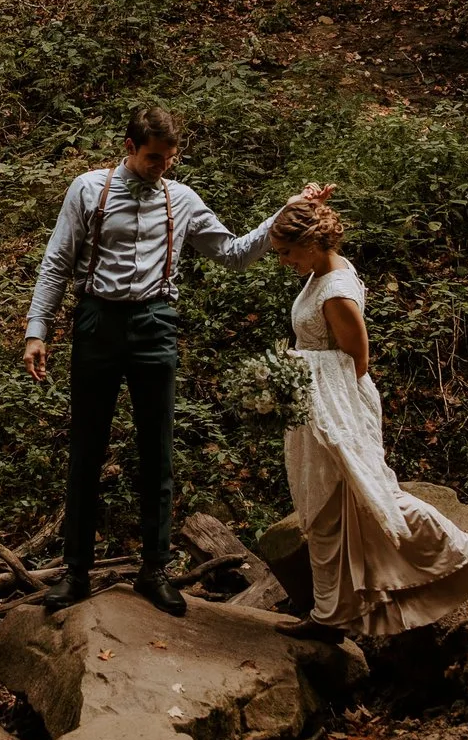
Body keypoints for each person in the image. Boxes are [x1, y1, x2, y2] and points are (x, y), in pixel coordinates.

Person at [23, 106, 318, 616]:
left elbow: (232, 252)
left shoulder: (180, 200)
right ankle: (76, 574)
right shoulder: (87, 190)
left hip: (155, 326)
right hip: (97, 322)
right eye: (153, 157)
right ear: (129, 147)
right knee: (86, 448)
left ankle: (154, 571)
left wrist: (281, 213)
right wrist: (36, 329)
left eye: (169, 157)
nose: (162, 165)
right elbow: (56, 261)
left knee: (157, 449)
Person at [269, 193, 468, 637]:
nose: (282, 261)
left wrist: (296, 371)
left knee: (376, 496)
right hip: (317, 405)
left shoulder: (336, 291)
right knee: (327, 510)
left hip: (338, 409)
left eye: (286, 252)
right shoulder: (321, 271)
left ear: (313, 243)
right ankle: (330, 615)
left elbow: (357, 361)